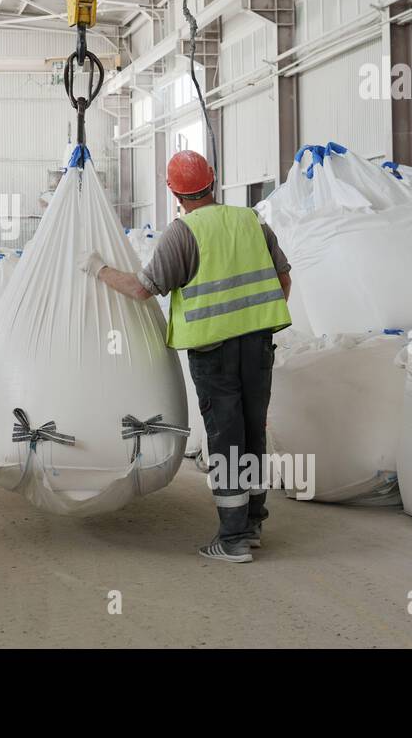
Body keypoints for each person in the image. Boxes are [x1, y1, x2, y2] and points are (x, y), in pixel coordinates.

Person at [80, 150, 292, 564]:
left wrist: (98, 270)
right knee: (251, 434)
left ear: (173, 191)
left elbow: (144, 288)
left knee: (226, 439)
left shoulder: (182, 233)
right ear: (213, 181)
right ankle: (251, 525)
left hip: (215, 352)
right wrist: (258, 321)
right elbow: (284, 277)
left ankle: (231, 540)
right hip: (258, 347)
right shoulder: (251, 221)